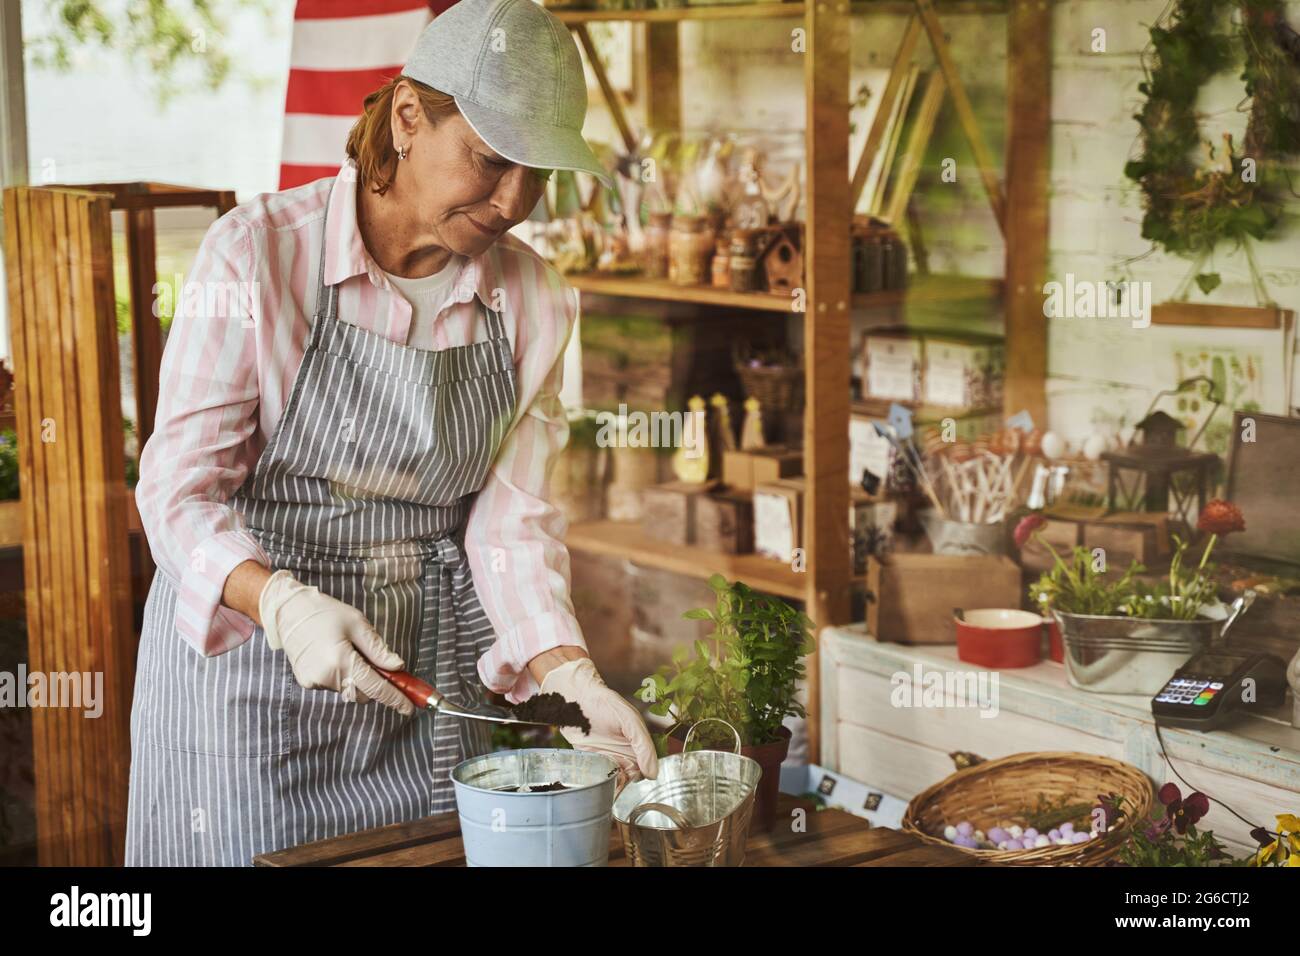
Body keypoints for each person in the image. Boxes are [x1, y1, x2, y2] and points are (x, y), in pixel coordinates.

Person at [125, 0, 657, 866]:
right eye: (491, 160)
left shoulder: (534, 298)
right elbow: (178, 496)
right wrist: (285, 606)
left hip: (430, 687)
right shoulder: (255, 257)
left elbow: (509, 521)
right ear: (409, 116)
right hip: (256, 688)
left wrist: (570, 674)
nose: (516, 201)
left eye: (541, 174)